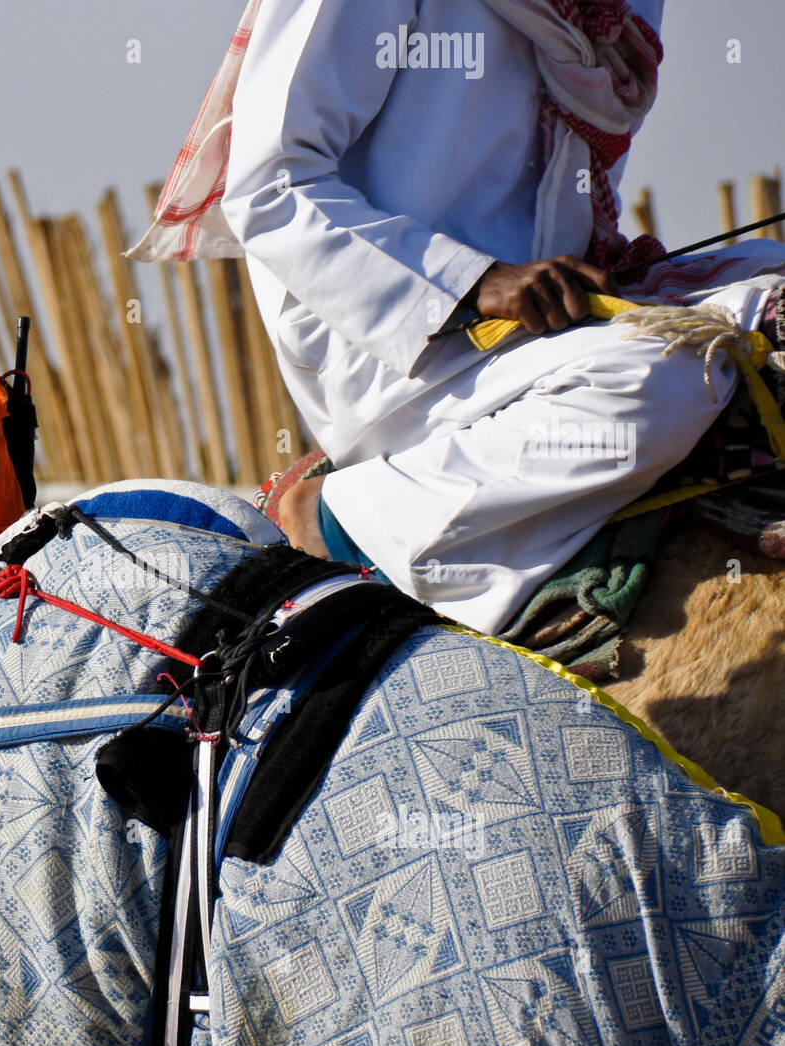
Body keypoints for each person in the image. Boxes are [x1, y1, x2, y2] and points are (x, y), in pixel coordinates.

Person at [130, 0, 785, 632]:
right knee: (674, 377)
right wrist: (471, 281)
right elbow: (269, 187)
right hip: (390, 331)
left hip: (543, 323)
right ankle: (340, 520)